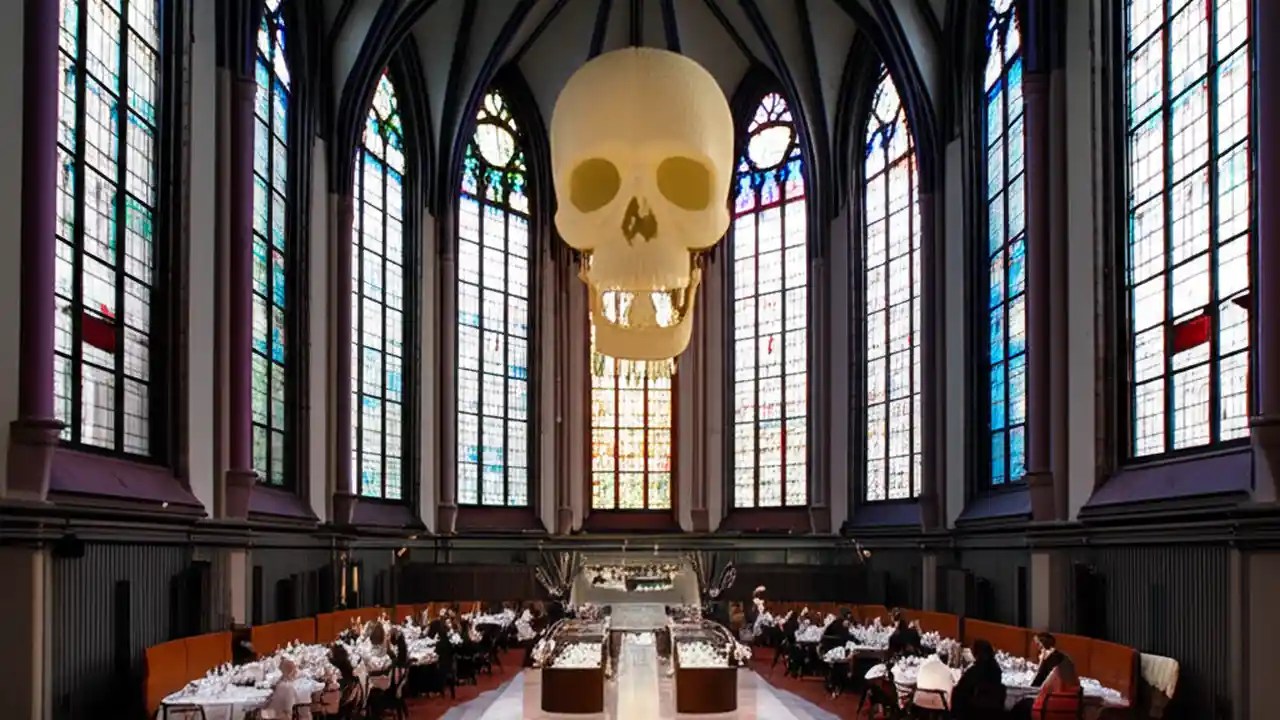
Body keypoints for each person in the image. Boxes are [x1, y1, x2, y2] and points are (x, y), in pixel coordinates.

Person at [951, 639, 1005, 718]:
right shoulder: (996, 670)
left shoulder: (976, 670)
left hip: (974, 710)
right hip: (992, 712)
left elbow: (961, 689)